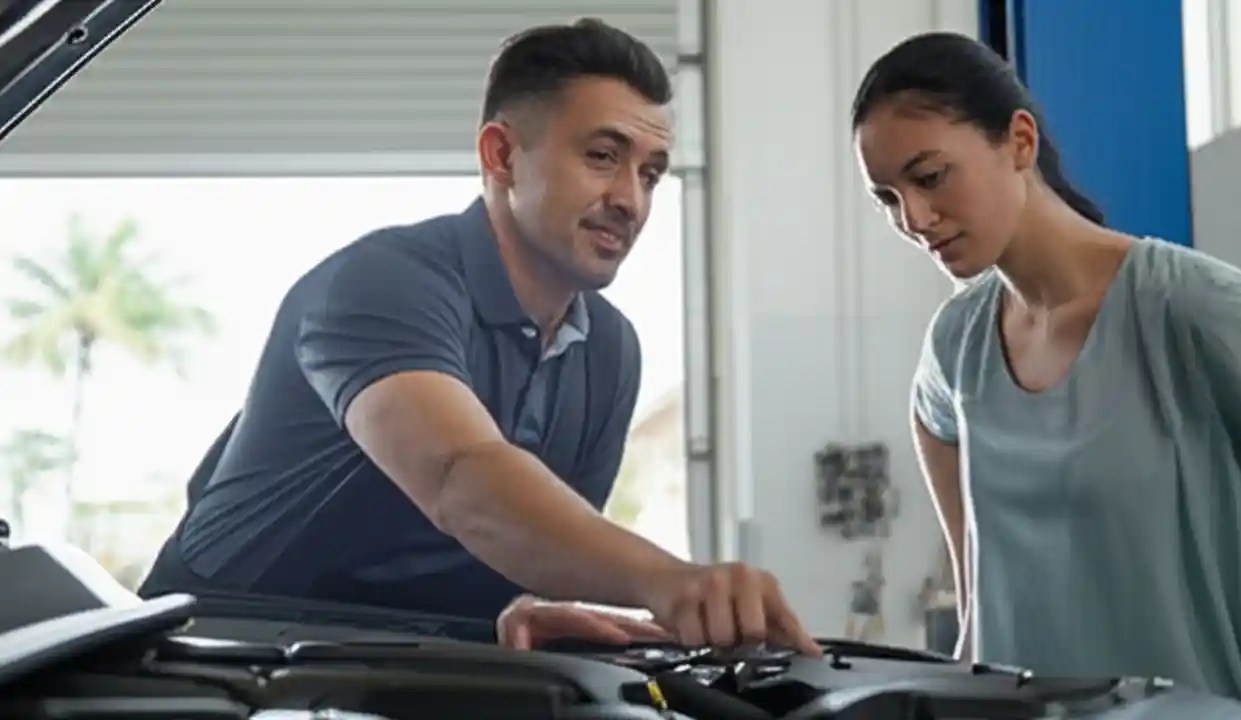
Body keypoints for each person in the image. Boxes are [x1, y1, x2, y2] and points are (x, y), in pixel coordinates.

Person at [139, 18, 820, 657]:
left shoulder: (611, 350)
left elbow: (540, 545)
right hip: (218, 654)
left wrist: (523, 605)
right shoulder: (384, 282)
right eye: (603, 156)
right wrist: (669, 580)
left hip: (421, 663)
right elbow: (463, 480)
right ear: (500, 155)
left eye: (649, 172)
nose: (631, 199)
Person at [850, 31, 1241, 711]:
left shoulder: (1188, 308)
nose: (916, 219)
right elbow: (933, 421)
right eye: (889, 198)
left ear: (1019, 141)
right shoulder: (958, 342)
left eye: (929, 178)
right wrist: (973, 618)